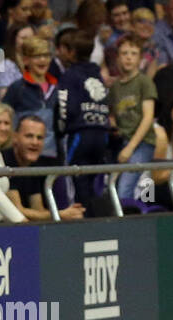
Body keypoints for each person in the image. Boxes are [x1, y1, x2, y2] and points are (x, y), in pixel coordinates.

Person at [55, 29, 112, 210]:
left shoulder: (69, 76)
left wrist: (60, 130)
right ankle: (96, 219)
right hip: (102, 135)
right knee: (94, 180)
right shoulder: (98, 75)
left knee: (74, 180)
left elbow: (65, 107)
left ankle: (80, 223)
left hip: (79, 135)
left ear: (71, 52)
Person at [3, 113, 87, 219]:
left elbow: (38, 209)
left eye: (40, 138)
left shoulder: (34, 166)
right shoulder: (6, 161)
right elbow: (16, 211)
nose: (35, 142)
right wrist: (61, 215)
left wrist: (69, 213)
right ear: (15, 137)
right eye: (29, 136)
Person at [109, 32, 157, 199]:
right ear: (117, 57)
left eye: (133, 54)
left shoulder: (144, 81)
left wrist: (130, 148)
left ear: (140, 58)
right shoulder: (115, 86)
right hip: (122, 141)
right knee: (110, 187)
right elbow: (114, 114)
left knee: (124, 189)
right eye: (124, 53)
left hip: (142, 142)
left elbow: (148, 117)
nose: (129, 58)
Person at [4, 35, 60, 158]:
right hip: (23, 156)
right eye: (37, 56)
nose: (42, 60)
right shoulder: (17, 88)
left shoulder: (57, 88)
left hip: (50, 155)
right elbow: (6, 118)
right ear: (25, 60)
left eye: (46, 56)